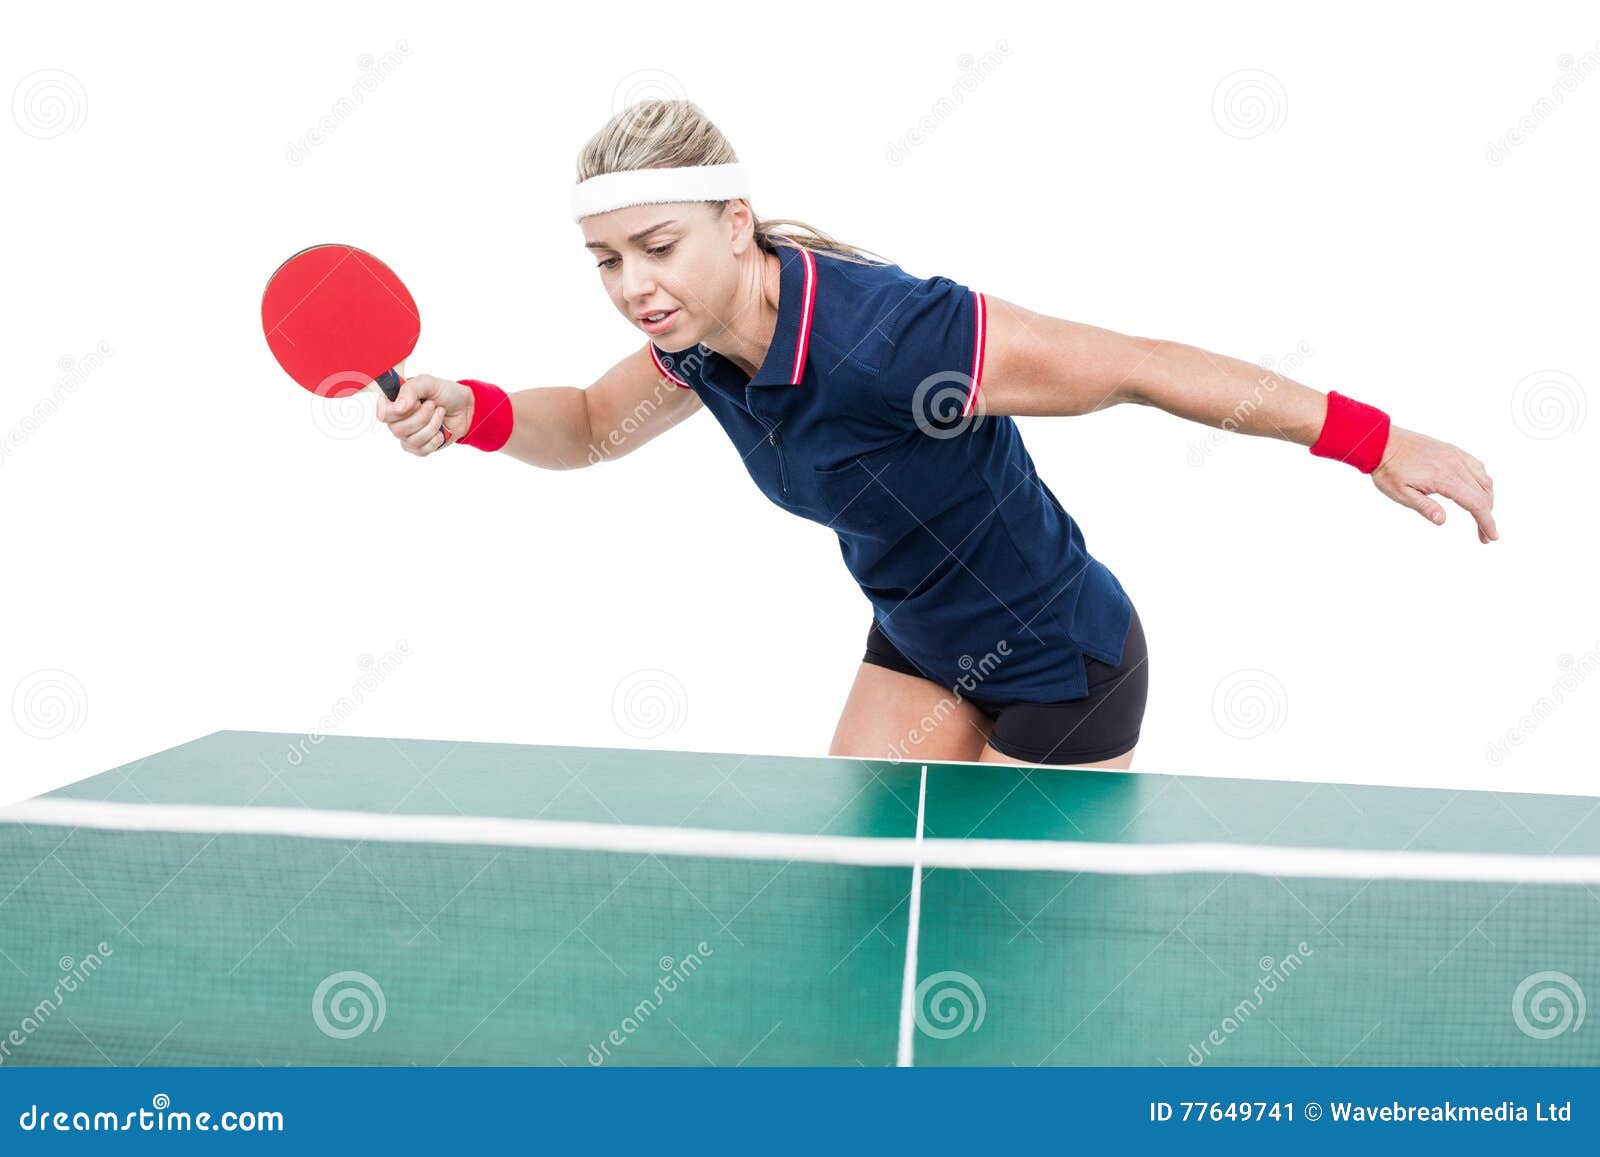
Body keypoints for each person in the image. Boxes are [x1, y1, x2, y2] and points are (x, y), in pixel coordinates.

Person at [377, 100, 1497, 771]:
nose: (634, 285)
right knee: (859, 897)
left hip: (1064, 664)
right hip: (919, 644)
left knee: (1013, 957)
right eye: (608, 260)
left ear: (732, 221)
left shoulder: (896, 337)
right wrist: (471, 410)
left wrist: (1373, 437)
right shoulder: (695, 348)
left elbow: (1137, 368)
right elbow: (584, 427)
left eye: (657, 245)